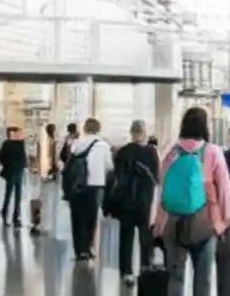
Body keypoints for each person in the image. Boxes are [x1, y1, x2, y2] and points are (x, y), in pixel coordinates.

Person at [155, 107, 230, 296]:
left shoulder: (170, 152)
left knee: (176, 277)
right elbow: (224, 191)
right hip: (204, 223)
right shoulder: (212, 152)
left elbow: (161, 189)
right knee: (203, 279)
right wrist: (224, 222)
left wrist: (158, 224)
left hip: (173, 222)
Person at [112, 120, 160, 286]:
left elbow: (116, 175)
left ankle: (126, 271)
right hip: (145, 200)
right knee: (145, 236)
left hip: (126, 200)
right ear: (145, 133)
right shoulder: (151, 153)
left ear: (131, 133)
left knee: (126, 236)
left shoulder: (122, 152)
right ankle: (145, 266)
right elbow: (157, 177)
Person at [64, 118, 113, 262]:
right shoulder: (103, 145)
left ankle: (79, 250)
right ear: (98, 128)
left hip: (77, 185)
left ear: (85, 128)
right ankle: (88, 248)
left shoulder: (77, 143)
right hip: (95, 186)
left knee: (77, 218)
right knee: (91, 218)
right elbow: (109, 166)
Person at [0, 126, 30, 228]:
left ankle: (6, 214)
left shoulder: (8, 143)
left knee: (10, 194)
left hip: (13, 170)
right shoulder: (17, 144)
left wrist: (7, 165)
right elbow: (23, 157)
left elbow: (1, 157)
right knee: (16, 195)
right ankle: (15, 217)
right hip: (16, 170)